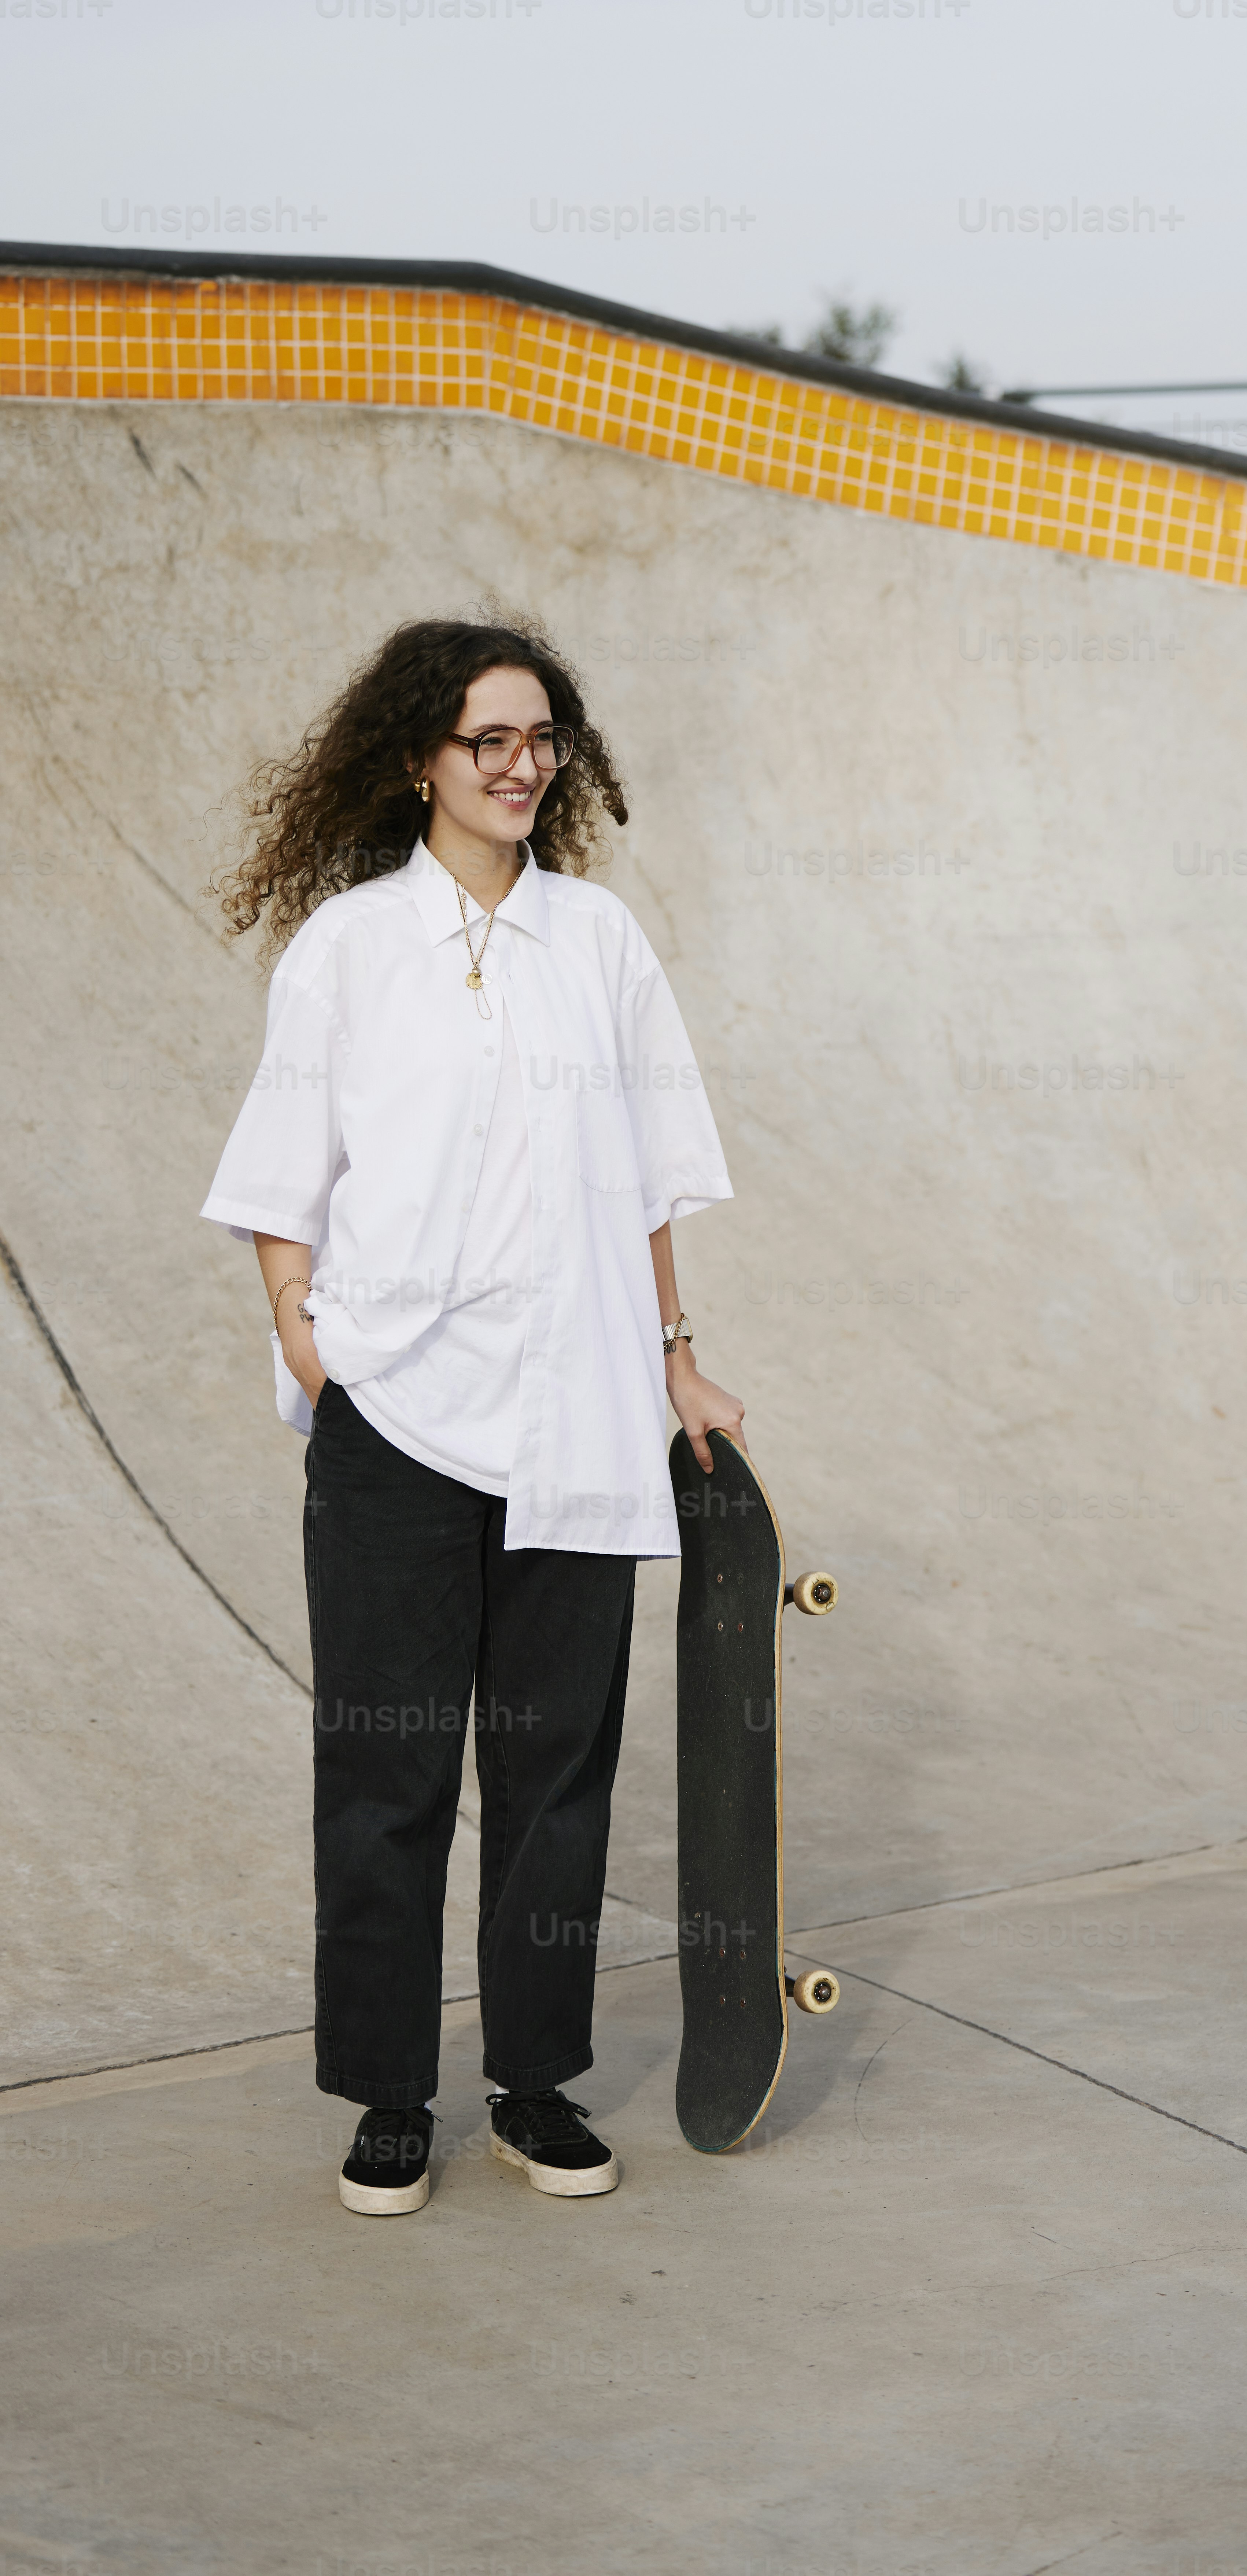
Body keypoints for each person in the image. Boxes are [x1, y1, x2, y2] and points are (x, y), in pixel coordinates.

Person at [202, 617, 742, 2215]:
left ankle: (533, 2086)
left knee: (555, 1771)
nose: (519, 767)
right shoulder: (351, 948)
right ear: (418, 760)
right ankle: (388, 2092)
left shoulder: (603, 943)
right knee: (387, 1775)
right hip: (398, 1425)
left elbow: (645, 1183)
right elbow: (278, 1185)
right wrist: (310, 1349)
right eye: (486, 741)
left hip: (575, 1414)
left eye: (540, 741)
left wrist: (675, 1355)